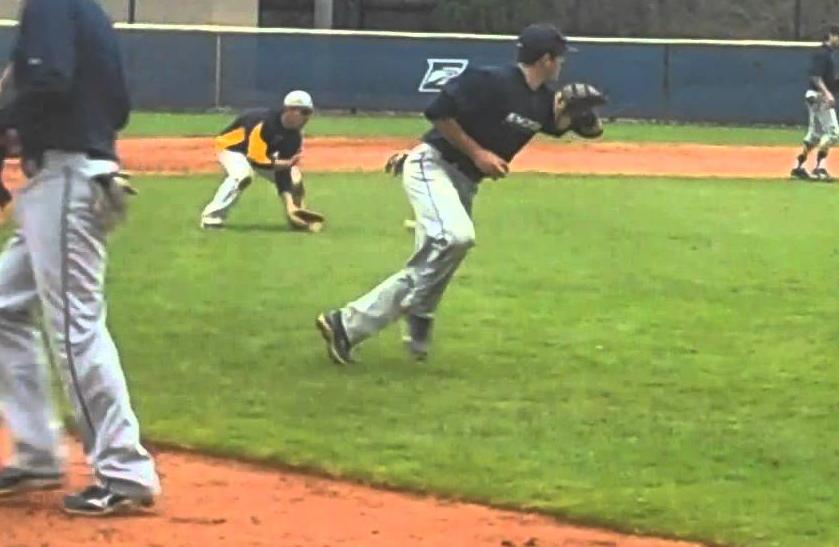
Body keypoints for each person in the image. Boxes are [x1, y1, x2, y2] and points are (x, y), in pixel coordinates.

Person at [0, 0, 160, 516]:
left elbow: (49, 82)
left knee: (74, 327)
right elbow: (117, 105)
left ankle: (124, 471)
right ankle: (35, 451)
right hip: (68, 175)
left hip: (65, 180)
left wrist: (1, 128)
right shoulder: (78, 6)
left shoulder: (51, 3)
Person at [315, 24, 606, 365]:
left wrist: (580, 113)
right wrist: (479, 153)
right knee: (456, 238)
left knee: (439, 257)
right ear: (545, 59)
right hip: (433, 166)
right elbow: (438, 113)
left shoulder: (542, 102)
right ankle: (415, 309)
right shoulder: (490, 80)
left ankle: (348, 328)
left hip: (464, 183)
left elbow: (578, 127)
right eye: (559, 59)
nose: (562, 65)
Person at [199, 91, 316, 230]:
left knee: (295, 178)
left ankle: (298, 216)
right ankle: (211, 219)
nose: (307, 117)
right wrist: (284, 164)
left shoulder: (294, 136)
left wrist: (289, 204)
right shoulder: (263, 122)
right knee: (243, 175)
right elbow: (255, 160)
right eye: (304, 112)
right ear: (289, 109)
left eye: (309, 112)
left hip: (260, 155)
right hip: (232, 149)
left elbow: (283, 173)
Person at [791, 24, 839, 182]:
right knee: (832, 132)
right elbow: (815, 77)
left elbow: (821, 77)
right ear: (830, 35)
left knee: (815, 135)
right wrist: (828, 93)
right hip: (818, 96)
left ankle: (798, 167)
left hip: (815, 95)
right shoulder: (822, 53)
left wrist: (833, 85)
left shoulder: (826, 54)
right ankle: (820, 168)